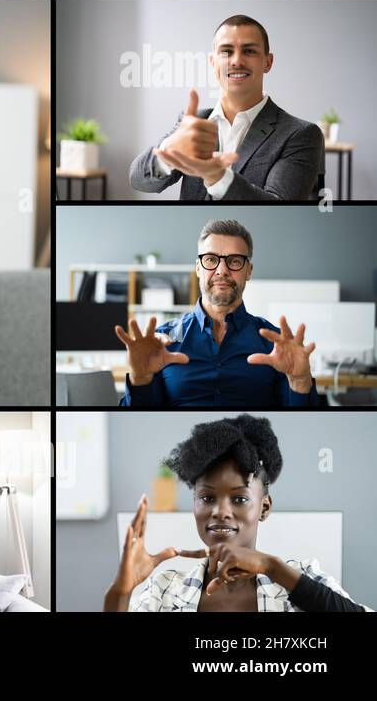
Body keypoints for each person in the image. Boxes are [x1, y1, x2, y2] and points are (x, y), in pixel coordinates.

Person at [105, 415, 370, 611]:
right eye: (207, 498)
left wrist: (271, 566)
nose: (220, 511)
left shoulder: (301, 579)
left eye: (239, 499)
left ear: (264, 508)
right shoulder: (163, 591)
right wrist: (120, 593)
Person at [115, 219, 321, 408]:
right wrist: (139, 379)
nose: (222, 270)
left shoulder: (275, 345)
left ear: (248, 271)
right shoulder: (161, 341)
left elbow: (301, 423)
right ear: (198, 268)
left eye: (235, 261)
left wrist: (300, 381)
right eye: (211, 260)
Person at [128, 15, 323, 200]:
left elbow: (279, 210)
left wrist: (218, 177)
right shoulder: (194, 121)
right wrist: (170, 149)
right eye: (226, 51)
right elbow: (138, 180)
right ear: (213, 62)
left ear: (268, 62)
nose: (236, 61)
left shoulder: (301, 134)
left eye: (249, 51)